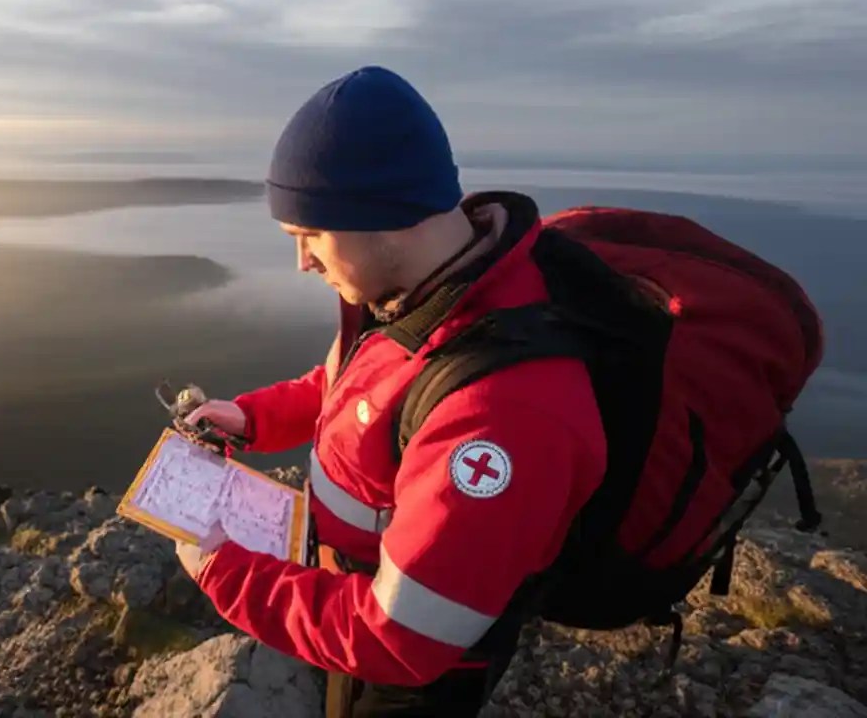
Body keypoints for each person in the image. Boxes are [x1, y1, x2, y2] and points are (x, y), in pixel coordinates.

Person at [171, 65, 824, 718]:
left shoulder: (507, 412)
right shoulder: (420, 288)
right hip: (351, 589)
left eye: (309, 235)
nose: (301, 262)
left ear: (385, 216)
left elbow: (400, 639)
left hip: (416, 667)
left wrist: (223, 571)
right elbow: (357, 384)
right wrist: (253, 418)